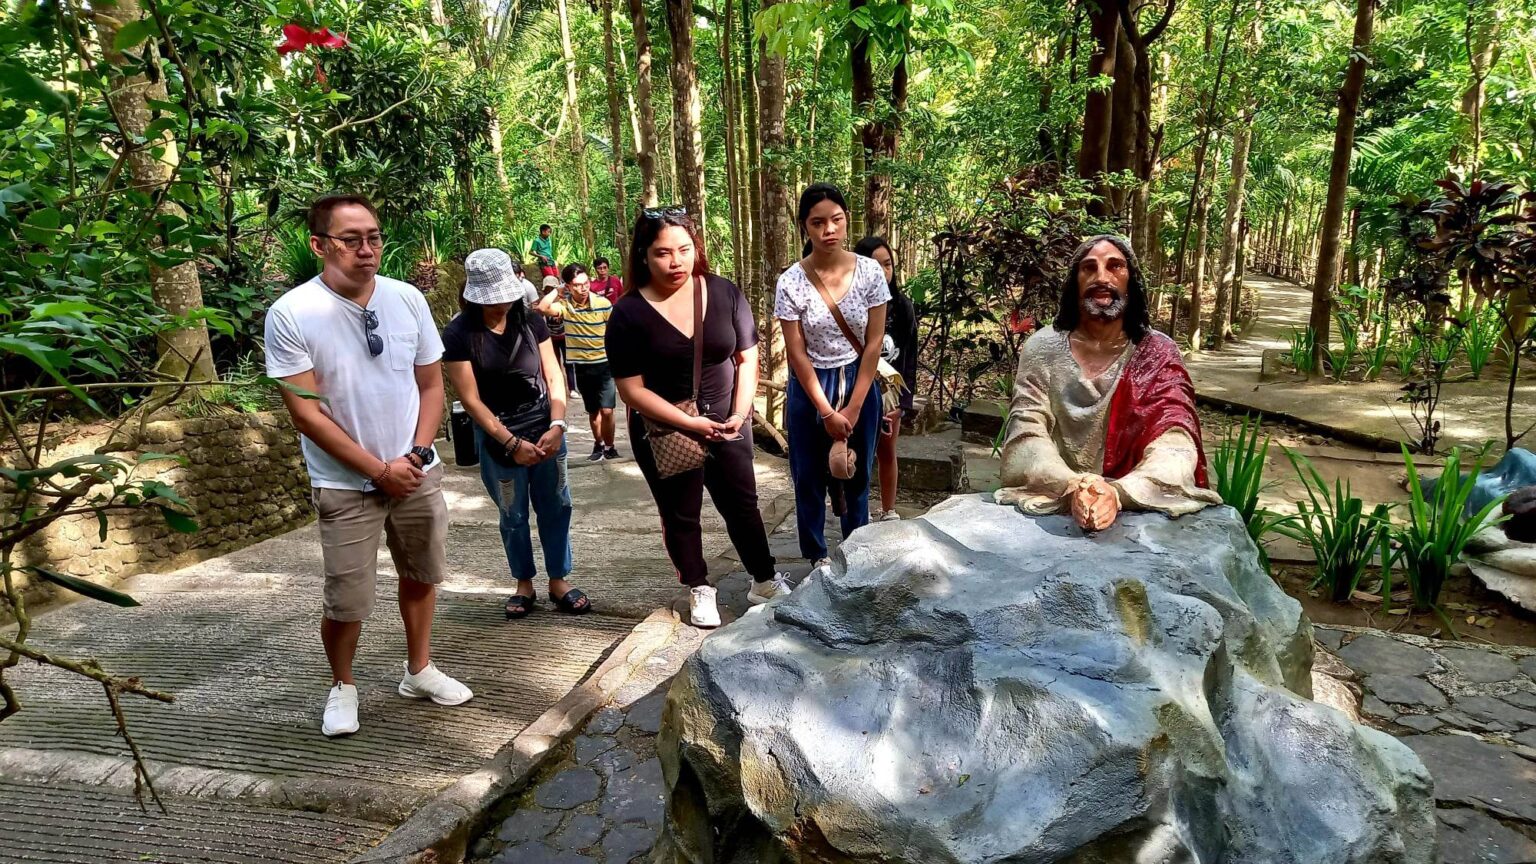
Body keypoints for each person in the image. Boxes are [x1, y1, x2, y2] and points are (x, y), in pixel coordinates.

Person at [264, 194, 472, 739]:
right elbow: (305, 413)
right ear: (319, 245)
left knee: (423, 574)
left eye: (374, 237)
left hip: (415, 470)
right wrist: (378, 470)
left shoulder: (407, 299)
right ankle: (343, 685)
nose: (366, 249)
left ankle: (419, 670)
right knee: (348, 596)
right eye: (350, 239)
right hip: (344, 482)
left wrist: (418, 454)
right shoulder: (292, 313)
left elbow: (431, 384)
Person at [606, 206, 791, 627]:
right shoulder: (628, 314)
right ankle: (699, 586)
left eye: (684, 250)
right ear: (643, 256)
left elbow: (747, 358)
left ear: (696, 249)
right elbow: (631, 390)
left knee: (743, 504)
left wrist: (740, 414)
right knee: (680, 511)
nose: (675, 262)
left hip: (729, 421)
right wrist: (689, 424)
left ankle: (763, 578)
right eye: (663, 253)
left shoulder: (724, 293)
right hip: (665, 428)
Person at [997, 234, 1222, 531]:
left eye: (1114, 266)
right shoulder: (1043, 349)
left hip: (1136, 506)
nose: (1101, 277)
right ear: (1074, 283)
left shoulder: (1157, 353)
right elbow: (1026, 435)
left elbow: (1176, 443)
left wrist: (1118, 494)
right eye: (1089, 268)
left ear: (1132, 280)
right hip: (1056, 499)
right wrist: (1073, 486)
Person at [442, 249, 590, 620]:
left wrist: (558, 425)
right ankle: (523, 581)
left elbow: (554, 376)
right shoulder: (460, 333)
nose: (502, 305)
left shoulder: (529, 320)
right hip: (497, 436)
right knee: (512, 512)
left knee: (557, 504)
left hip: (543, 425)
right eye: (493, 300)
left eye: (507, 297)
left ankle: (559, 578)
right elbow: (470, 399)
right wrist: (509, 442)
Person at [775, 184, 890, 570]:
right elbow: (796, 353)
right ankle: (816, 556)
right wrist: (825, 411)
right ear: (804, 228)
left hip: (859, 379)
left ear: (846, 220)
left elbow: (874, 344)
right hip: (811, 388)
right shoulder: (791, 282)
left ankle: (856, 552)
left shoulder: (871, 272)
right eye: (818, 222)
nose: (829, 230)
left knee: (857, 473)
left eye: (836, 220)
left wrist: (855, 407)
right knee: (808, 476)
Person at [854, 236, 917, 523]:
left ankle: (888, 509)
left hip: (889, 388)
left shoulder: (902, 306)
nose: (883, 271)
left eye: (887, 264)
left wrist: (903, 401)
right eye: (874, 265)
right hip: (856, 389)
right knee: (859, 452)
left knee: (886, 450)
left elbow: (909, 357)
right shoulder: (852, 306)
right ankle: (857, 509)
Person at [560, 262, 621, 461]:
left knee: (607, 410)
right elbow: (542, 308)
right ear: (568, 286)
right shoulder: (565, 306)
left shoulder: (603, 304)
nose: (583, 288)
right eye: (577, 285)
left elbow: (615, 332)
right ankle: (599, 444)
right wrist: (558, 291)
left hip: (604, 364)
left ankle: (610, 447)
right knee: (594, 411)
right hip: (582, 367)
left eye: (586, 283)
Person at [535, 274, 576, 395]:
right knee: (554, 363)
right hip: (551, 337)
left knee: (568, 363)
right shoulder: (544, 302)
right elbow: (540, 312)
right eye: (547, 289)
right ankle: (558, 388)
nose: (550, 291)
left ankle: (572, 388)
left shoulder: (565, 301)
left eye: (552, 288)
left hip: (565, 336)